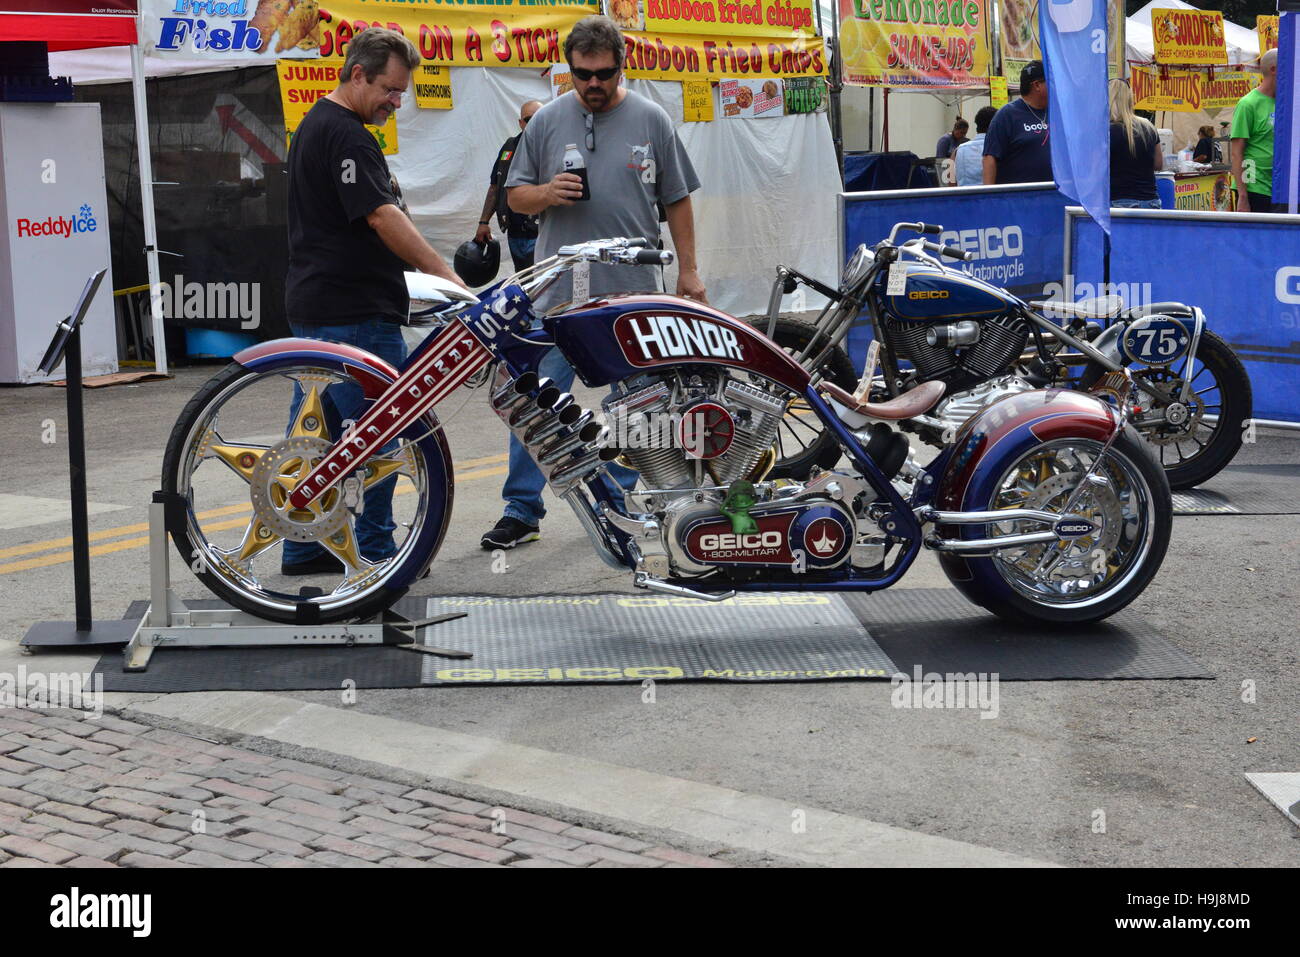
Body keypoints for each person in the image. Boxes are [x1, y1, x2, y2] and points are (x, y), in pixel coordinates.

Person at [480, 14, 705, 550]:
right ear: (570, 71)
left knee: (638, 403)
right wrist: (546, 194)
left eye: (603, 74)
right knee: (536, 396)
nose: (593, 85)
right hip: (561, 292)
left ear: (620, 67)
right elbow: (514, 196)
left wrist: (690, 271)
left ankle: (624, 501)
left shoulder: (652, 119)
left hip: (632, 291)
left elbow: (677, 199)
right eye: (583, 75)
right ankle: (521, 509)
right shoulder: (546, 122)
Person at [281, 27, 465, 576]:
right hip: (353, 313)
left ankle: (303, 544)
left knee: (315, 436)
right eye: (390, 89)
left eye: (403, 93)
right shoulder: (347, 134)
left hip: (320, 306)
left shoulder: (320, 124)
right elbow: (382, 215)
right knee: (386, 433)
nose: (396, 102)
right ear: (358, 74)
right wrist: (447, 277)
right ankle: (381, 552)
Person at [475, 99, 544, 271]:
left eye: (539, 118)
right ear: (521, 123)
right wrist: (483, 222)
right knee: (522, 284)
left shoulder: (554, 147)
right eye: (529, 119)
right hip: (515, 231)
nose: (533, 123)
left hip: (544, 232)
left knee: (542, 287)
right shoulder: (510, 147)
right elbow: (495, 187)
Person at [983, 60, 1052, 185]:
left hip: (1052, 195)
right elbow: (989, 158)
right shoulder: (1007, 115)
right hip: (1018, 199)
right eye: (1050, 81)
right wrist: (989, 198)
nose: (1055, 85)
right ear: (1037, 85)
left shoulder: (1057, 113)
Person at [1231, 48, 1281, 213]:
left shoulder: (1285, 103)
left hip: (1279, 187)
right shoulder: (1248, 104)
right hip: (1255, 186)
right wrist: (1243, 197)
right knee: (1256, 237)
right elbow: (1237, 153)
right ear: (1274, 69)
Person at [1108, 79, 1162, 209]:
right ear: (1130, 99)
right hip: (1151, 202)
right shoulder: (1148, 126)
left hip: (1119, 202)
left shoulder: (1105, 131)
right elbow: (1158, 165)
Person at [953, 106, 996, 187]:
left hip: (963, 197)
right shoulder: (998, 149)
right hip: (989, 197)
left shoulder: (958, 150)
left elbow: (950, 181)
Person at [935, 118, 969, 183]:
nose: (963, 135)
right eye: (962, 133)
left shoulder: (961, 140)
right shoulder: (945, 140)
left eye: (965, 133)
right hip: (945, 174)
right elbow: (940, 161)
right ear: (956, 129)